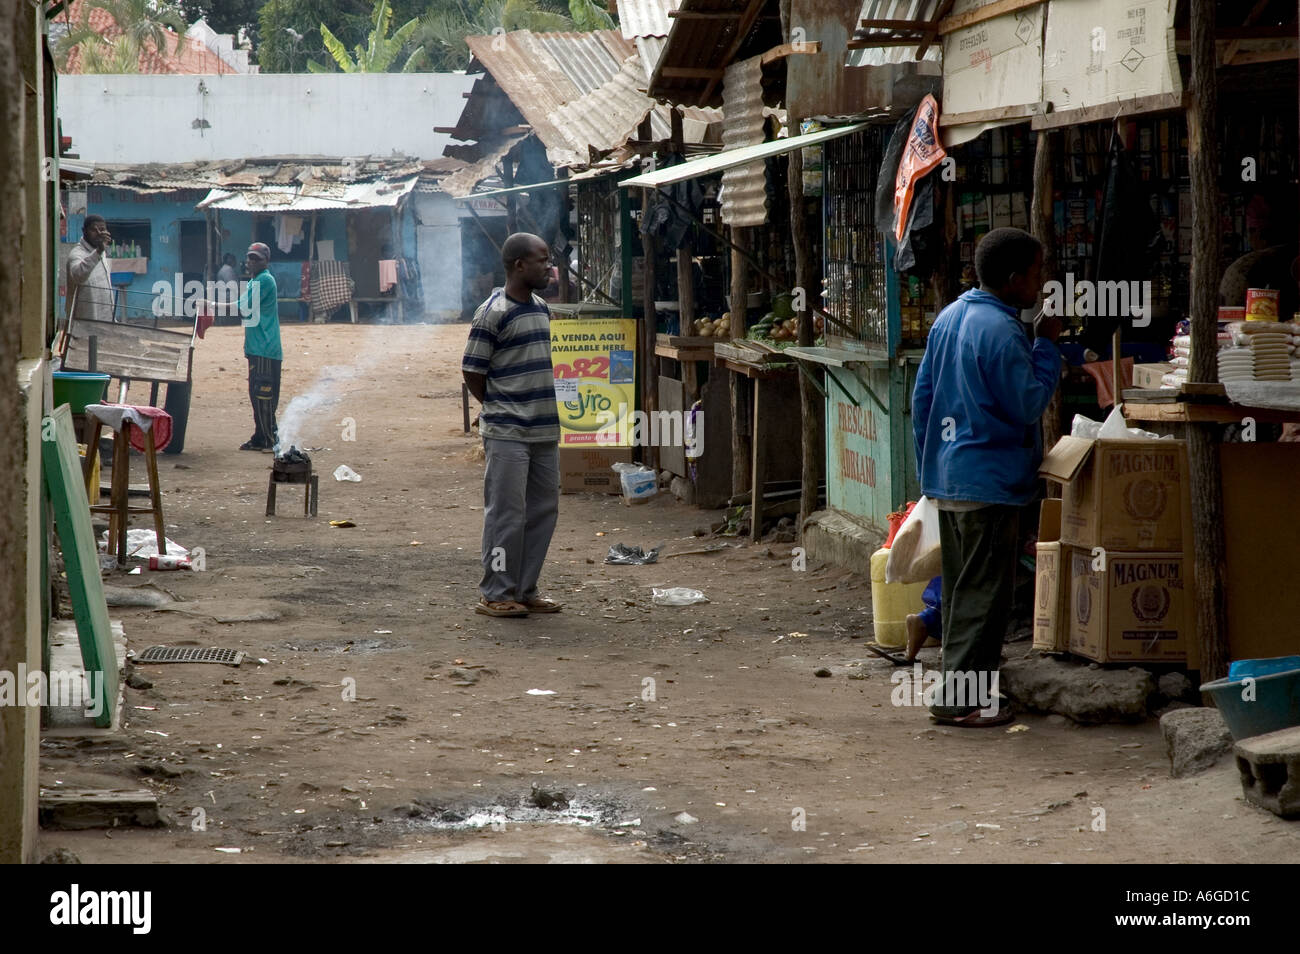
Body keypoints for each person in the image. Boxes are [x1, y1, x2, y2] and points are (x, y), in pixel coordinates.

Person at [911, 227, 1061, 726]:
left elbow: (922, 401)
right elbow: (1028, 404)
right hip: (988, 483)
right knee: (980, 598)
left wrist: (932, 470)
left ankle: (961, 692)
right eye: (1037, 275)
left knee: (960, 593)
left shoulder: (951, 317)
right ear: (1015, 278)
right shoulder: (1001, 331)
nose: (1041, 285)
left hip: (953, 479)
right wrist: (1046, 348)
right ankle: (959, 702)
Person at [461, 232, 562, 618]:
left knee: (543, 511)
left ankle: (525, 588)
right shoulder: (492, 312)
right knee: (506, 514)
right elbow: (472, 371)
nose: (549, 267)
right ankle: (496, 591)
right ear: (519, 265)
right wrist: (499, 407)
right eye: (542, 260)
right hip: (507, 433)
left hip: (544, 430)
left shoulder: (540, 308)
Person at [239, 243, 282, 452]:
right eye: (250, 258)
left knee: (264, 396)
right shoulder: (254, 281)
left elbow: (241, 307)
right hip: (258, 348)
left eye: (256, 258)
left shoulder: (264, 280)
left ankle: (269, 439)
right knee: (256, 394)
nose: (252, 262)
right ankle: (260, 436)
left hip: (265, 348)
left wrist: (211, 306)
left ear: (266, 261)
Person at [66, 214, 115, 323]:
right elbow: (78, 276)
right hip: (83, 322)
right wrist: (98, 252)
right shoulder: (77, 254)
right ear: (84, 231)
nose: (98, 234)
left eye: (102, 230)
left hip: (105, 319)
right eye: (94, 230)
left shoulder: (100, 251)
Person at [216, 253, 239, 320]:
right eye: (234, 259)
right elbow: (233, 285)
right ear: (230, 260)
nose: (235, 261)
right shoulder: (228, 270)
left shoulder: (225, 269)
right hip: (228, 300)